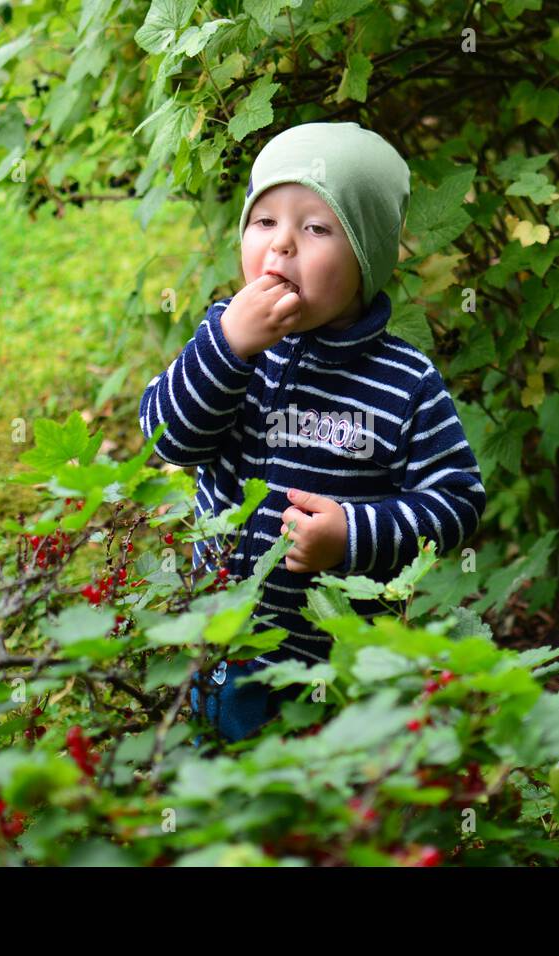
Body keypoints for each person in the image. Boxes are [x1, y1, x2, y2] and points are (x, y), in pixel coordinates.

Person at [138, 121, 487, 743]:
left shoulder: (405, 381)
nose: (282, 247)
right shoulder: (225, 338)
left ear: (367, 256)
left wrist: (351, 536)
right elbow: (166, 439)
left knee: (330, 815)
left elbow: (455, 500)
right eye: (264, 221)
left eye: (316, 228)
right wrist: (225, 350)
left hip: (342, 661)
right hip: (226, 644)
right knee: (227, 792)